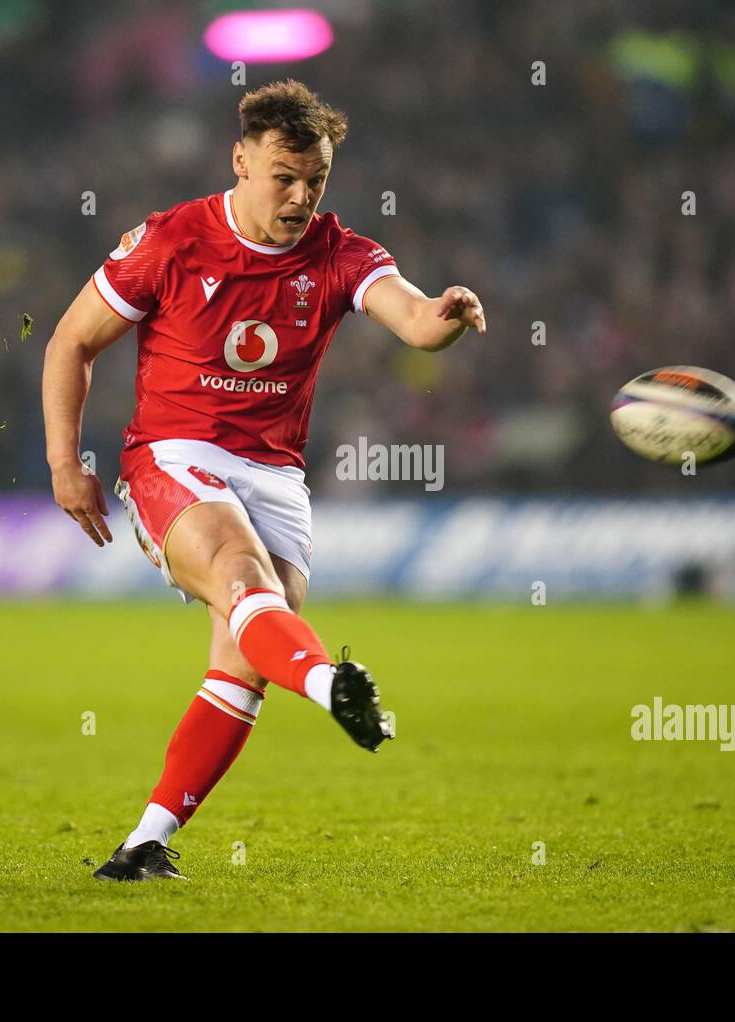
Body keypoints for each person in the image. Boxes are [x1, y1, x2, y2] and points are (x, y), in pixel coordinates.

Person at [41, 80, 487, 881]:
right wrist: (64, 463)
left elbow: (415, 320)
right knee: (246, 584)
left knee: (244, 658)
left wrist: (447, 313)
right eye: (283, 176)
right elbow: (71, 342)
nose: (299, 197)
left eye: (315, 180)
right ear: (240, 161)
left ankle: (143, 845)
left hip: (276, 476)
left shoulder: (342, 253)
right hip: (174, 456)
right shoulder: (168, 241)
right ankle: (331, 686)